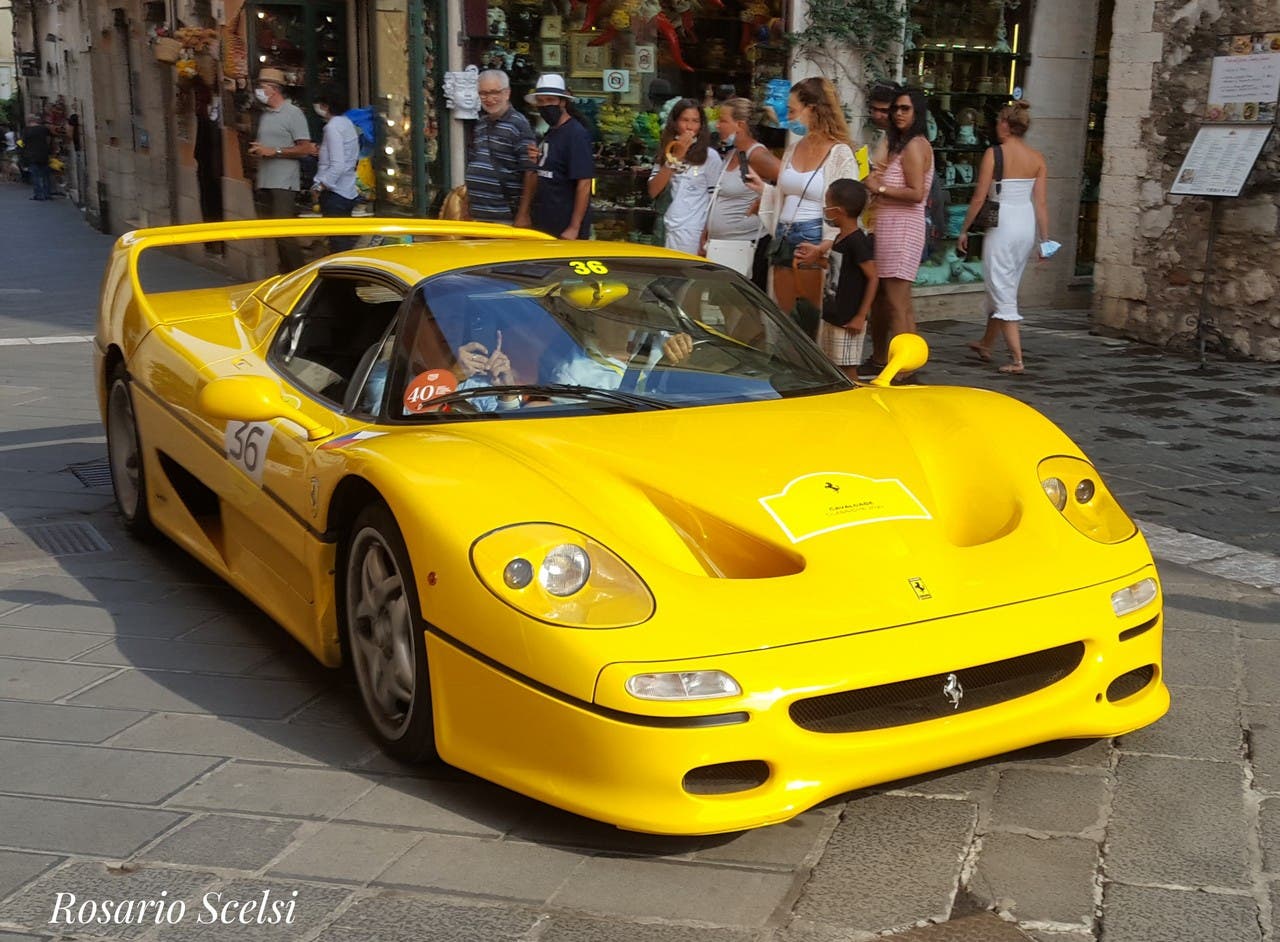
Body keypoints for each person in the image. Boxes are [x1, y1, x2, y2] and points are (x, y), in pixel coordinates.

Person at [758, 77, 862, 324]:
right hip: (784, 236)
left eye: (793, 111)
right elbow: (784, 193)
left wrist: (825, 247)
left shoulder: (840, 153)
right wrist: (761, 191)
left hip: (815, 239)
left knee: (810, 318)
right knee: (783, 318)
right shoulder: (794, 148)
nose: (789, 117)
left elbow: (849, 210)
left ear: (812, 109)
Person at [957, 101, 1050, 375]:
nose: (996, 127)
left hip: (1003, 223)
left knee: (1001, 286)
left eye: (999, 122)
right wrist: (1045, 240)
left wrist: (964, 229)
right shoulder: (1037, 158)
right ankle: (987, 343)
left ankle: (1017, 358)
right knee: (1004, 283)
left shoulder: (994, 153)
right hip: (1026, 221)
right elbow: (1042, 204)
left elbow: (978, 197)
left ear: (1007, 126)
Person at [864, 87, 934, 346]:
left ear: (918, 112)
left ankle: (904, 366)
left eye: (905, 109)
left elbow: (917, 193)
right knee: (898, 302)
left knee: (896, 303)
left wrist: (879, 188)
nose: (898, 114)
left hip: (903, 228)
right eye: (896, 109)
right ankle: (906, 363)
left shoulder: (915, 145)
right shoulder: (901, 144)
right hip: (891, 226)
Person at [702, 98, 781, 272]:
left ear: (740, 125)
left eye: (723, 120)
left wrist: (769, 196)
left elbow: (790, 182)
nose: (718, 126)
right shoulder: (733, 153)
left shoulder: (757, 155)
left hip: (745, 247)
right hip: (720, 246)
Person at [247, 67, 312, 272]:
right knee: (274, 234)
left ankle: (299, 274)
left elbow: (305, 148)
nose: (259, 91)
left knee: (285, 234)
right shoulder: (266, 115)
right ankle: (284, 274)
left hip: (284, 181)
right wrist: (259, 150)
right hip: (265, 179)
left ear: (273, 89)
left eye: (262, 87)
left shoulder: (293, 114)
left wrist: (273, 151)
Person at [818, 179, 878, 381]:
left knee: (848, 371)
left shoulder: (857, 241)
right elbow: (838, 269)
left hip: (849, 318)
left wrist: (861, 315)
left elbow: (872, 277)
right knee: (832, 366)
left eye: (827, 204)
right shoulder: (840, 238)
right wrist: (816, 260)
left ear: (839, 210)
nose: (825, 209)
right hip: (833, 314)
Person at [647, 100, 722, 256]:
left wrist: (708, 234)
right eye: (685, 120)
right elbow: (653, 190)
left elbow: (714, 199)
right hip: (666, 226)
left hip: (693, 231)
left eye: (695, 121)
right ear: (675, 123)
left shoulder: (710, 157)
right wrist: (676, 157)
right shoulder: (666, 153)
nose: (689, 127)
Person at [526, 74, 594, 240]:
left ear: (562, 101)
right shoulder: (549, 132)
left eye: (550, 100)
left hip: (564, 224)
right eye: (541, 102)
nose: (545, 106)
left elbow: (584, 183)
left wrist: (574, 227)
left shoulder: (576, 134)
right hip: (545, 221)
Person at [466, 70, 537, 227]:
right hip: (479, 215)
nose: (489, 99)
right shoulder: (481, 124)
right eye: (483, 93)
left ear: (507, 93)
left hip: (505, 216)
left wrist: (523, 214)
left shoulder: (519, 124)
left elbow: (530, 171)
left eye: (494, 92)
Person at [862, 82, 899, 371]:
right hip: (874, 216)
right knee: (879, 296)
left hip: (892, 220)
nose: (878, 115)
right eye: (873, 109)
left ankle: (891, 360)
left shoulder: (906, 141)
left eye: (883, 110)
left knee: (892, 298)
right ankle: (879, 356)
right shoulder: (886, 137)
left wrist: (876, 184)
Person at [308, 83, 361, 253]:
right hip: (348, 190)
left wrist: (319, 186)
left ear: (326, 106)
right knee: (343, 241)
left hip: (335, 194)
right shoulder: (347, 124)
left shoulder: (332, 127)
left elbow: (337, 165)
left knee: (338, 245)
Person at [20, 115, 53, 201]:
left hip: (32, 155)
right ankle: (47, 194)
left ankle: (39, 195)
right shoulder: (44, 129)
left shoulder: (26, 130)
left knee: (36, 177)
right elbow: (49, 139)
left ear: (28, 121)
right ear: (36, 120)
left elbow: (23, 142)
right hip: (44, 154)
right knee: (46, 176)